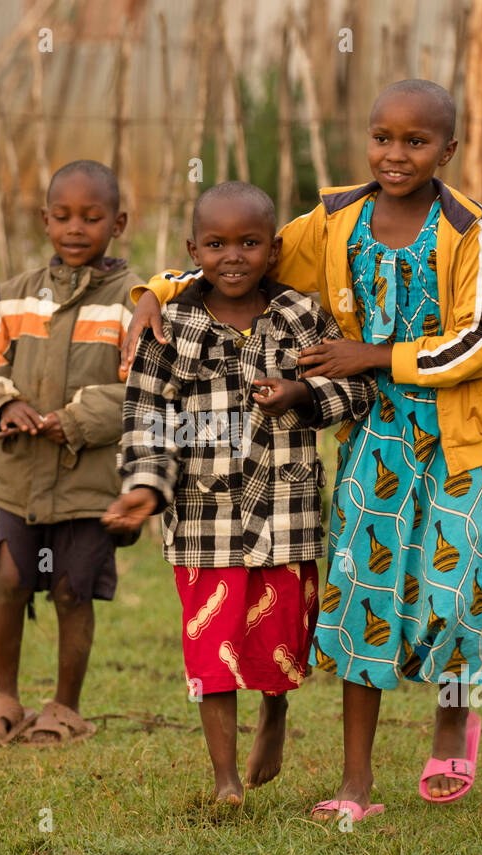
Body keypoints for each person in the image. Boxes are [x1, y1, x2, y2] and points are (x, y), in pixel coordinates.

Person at [122, 81, 482, 819]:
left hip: (459, 438)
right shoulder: (338, 219)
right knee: (363, 598)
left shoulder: (468, 229)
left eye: (416, 142)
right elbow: (250, 252)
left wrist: (374, 356)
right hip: (372, 438)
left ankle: (451, 716)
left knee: (457, 594)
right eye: (383, 137)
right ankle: (357, 782)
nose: (396, 154)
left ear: (448, 150)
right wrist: (156, 289)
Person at [103, 181, 375, 804]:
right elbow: (148, 417)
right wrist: (145, 489)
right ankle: (225, 780)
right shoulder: (169, 327)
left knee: (280, 639)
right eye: (217, 243)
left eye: (250, 243)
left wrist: (302, 394)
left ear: (274, 250)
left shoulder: (302, 317)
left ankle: (274, 713)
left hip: (287, 515)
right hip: (205, 520)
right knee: (210, 652)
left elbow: (357, 392)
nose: (233, 256)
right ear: (191, 249)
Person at [0, 160, 140, 747]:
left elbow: (145, 388)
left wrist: (80, 419)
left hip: (89, 482)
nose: (76, 228)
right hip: (19, 478)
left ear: (119, 222)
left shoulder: (134, 302)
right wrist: (4, 407)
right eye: (62, 216)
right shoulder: (11, 298)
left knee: (70, 588)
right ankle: (4, 697)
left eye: (92, 217)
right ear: (44, 220)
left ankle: (65, 707)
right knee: (8, 579)